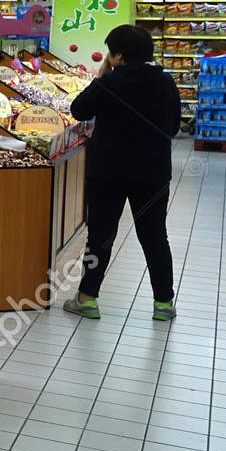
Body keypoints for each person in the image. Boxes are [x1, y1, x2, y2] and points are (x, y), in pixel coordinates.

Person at [63, 24, 182, 321]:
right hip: (153, 173)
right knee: (155, 236)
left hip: (108, 172)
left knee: (101, 236)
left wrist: (103, 75)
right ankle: (163, 303)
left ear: (117, 55)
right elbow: (174, 128)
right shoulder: (166, 82)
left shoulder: (110, 82)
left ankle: (87, 299)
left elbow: (78, 110)